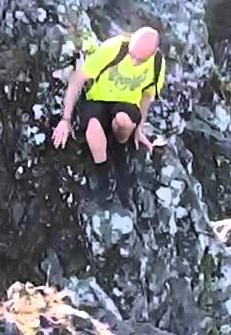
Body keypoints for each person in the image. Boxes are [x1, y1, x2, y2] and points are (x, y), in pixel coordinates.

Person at [51, 26, 167, 206]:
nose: (134, 61)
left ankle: (120, 149)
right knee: (93, 129)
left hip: (126, 104)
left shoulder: (157, 64)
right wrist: (65, 120)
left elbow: (147, 96)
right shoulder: (113, 48)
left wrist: (139, 128)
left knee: (124, 121)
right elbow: (77, 80)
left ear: (152, 54)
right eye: (132, 55)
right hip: (98, 99)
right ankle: (102, 172)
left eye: (140, 59)